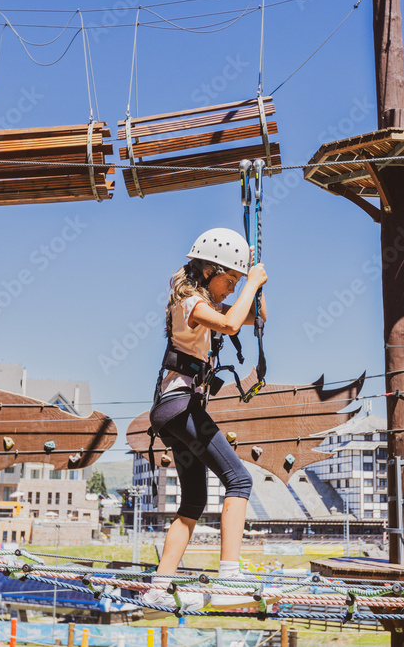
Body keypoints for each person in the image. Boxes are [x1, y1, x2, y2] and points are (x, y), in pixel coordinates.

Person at [143, 228, 267, 610]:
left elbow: (257, 317)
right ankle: (229, 573)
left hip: (173, 411)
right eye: (228, 280)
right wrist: (253, 279)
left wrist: (254, 282)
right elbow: (231, 326)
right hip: (181, 407)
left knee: (194, 499)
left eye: (234, 283)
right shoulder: (191, 304)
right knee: (239, 480)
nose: (231, 289)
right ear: (209, 271)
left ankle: (158, 586)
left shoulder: (206, 304)